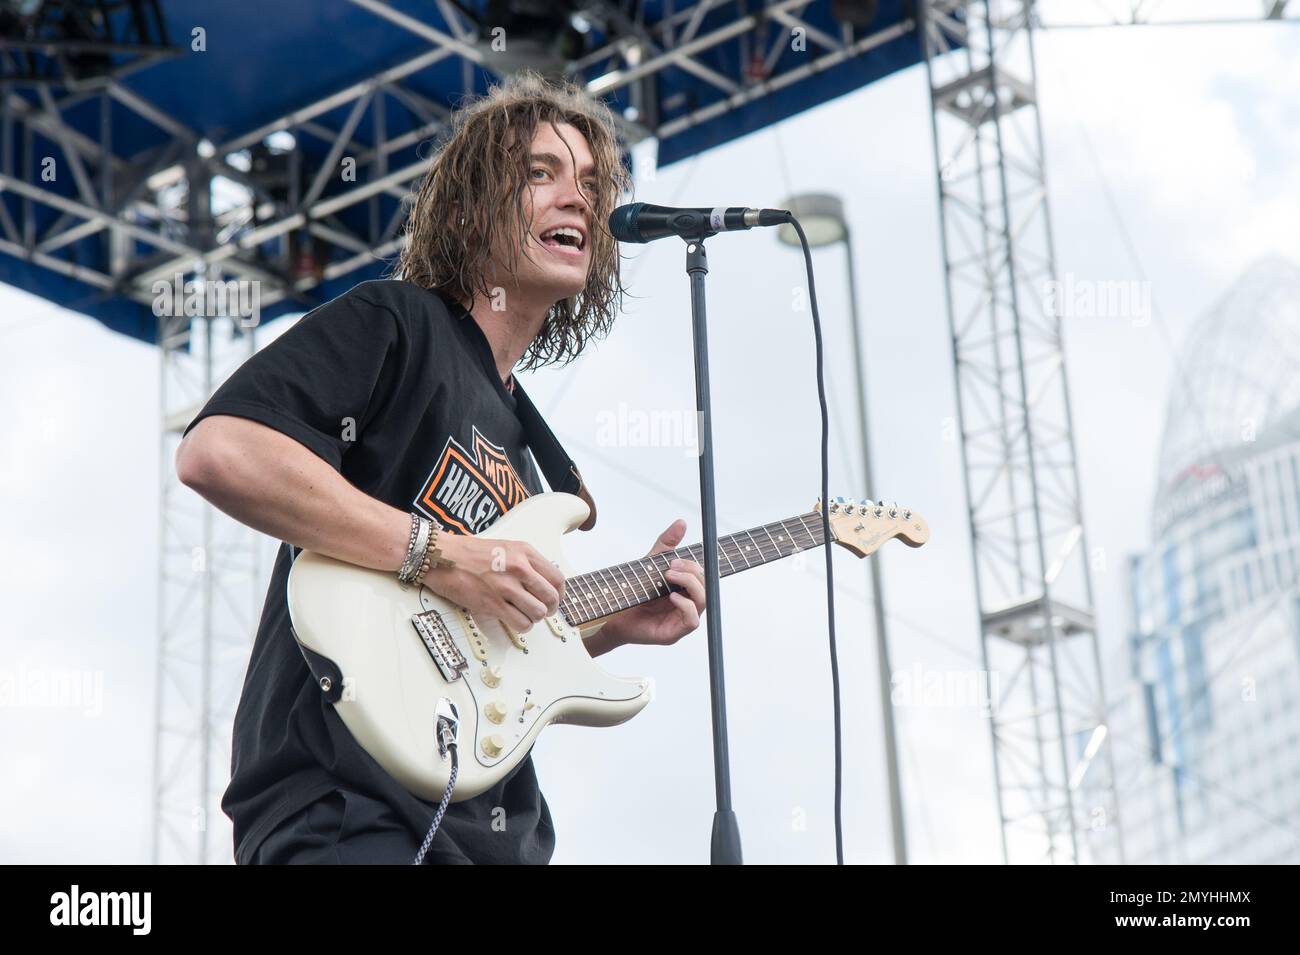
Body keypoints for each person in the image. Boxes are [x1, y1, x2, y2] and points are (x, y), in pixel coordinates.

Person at [174, 71, 707, 865]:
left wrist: (602, 628)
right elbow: (220, 451)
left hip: (487, 838)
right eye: (541, 174)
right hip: (347, 818)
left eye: (593, 185)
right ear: (464, 210)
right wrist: (441, 552)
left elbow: (466, 646)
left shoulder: (534, 458)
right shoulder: (397, 323)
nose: (578, 199)